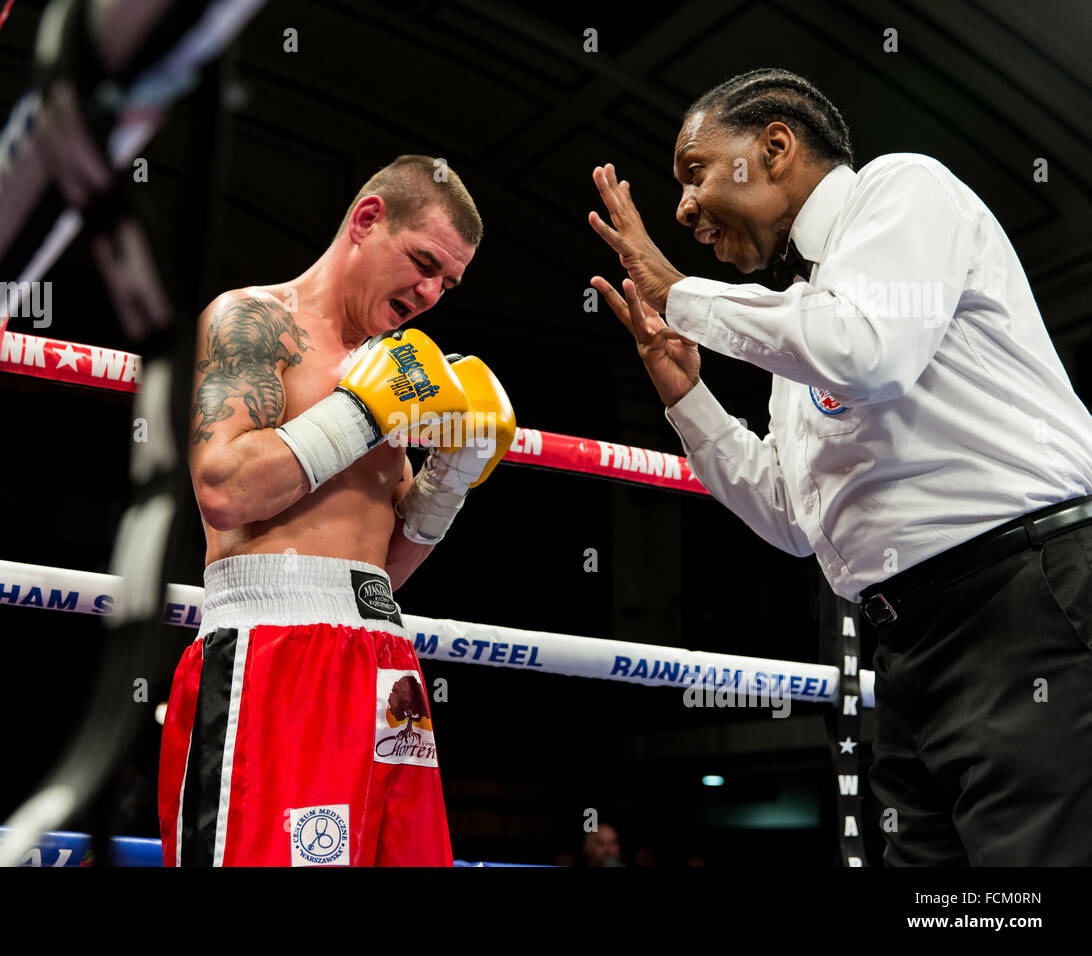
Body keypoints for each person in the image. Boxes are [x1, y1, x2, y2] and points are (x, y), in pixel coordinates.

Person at [588, 68, 1092, 866]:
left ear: (776, 147)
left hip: (1021, 601)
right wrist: (690, 397)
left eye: (696, 173)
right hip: (906, 644)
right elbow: (797, 517)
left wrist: (682, 295)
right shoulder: (804, 311)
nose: (682, 208)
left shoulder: (903, 190)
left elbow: (867, 353)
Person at [158, 155, 515, 866]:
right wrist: (360, 413)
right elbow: (224, 488)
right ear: (367, 220)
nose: (431, 291)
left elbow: (380, 569)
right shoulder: (253, 321)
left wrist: (451, 476)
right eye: (422, 262)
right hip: (274, 659)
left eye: (448, 281)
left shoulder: (396, 369)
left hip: (386, 665)